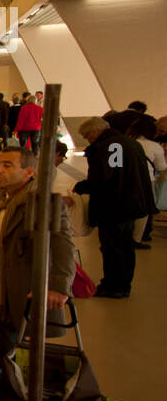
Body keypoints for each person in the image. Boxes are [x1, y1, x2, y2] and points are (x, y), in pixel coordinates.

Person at [0, 148, 76, 401]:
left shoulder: (40, 200)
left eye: (8, 165)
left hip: (21, 290)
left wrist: (58, 285)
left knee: (3, 354)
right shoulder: (5, 198)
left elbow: (63, 244)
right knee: (1, 344)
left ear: (29, 171)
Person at [73, 117, 153, 298]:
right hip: (131, 203)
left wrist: (83, 186)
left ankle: (113, 286)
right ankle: (124, 284)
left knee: (112, 247)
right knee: (126, 246)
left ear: (94, 132)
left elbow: (107, 176)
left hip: (114, 206)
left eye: (87, 136)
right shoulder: (129, 143)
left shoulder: (111, 147)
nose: (88, 140)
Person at [130, 117, 165, 248]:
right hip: (146, 180)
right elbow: (161, 167)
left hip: (126, 179)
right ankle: (136, 239)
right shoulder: (155, 146)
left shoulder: (125, 142)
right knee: (142, 210)